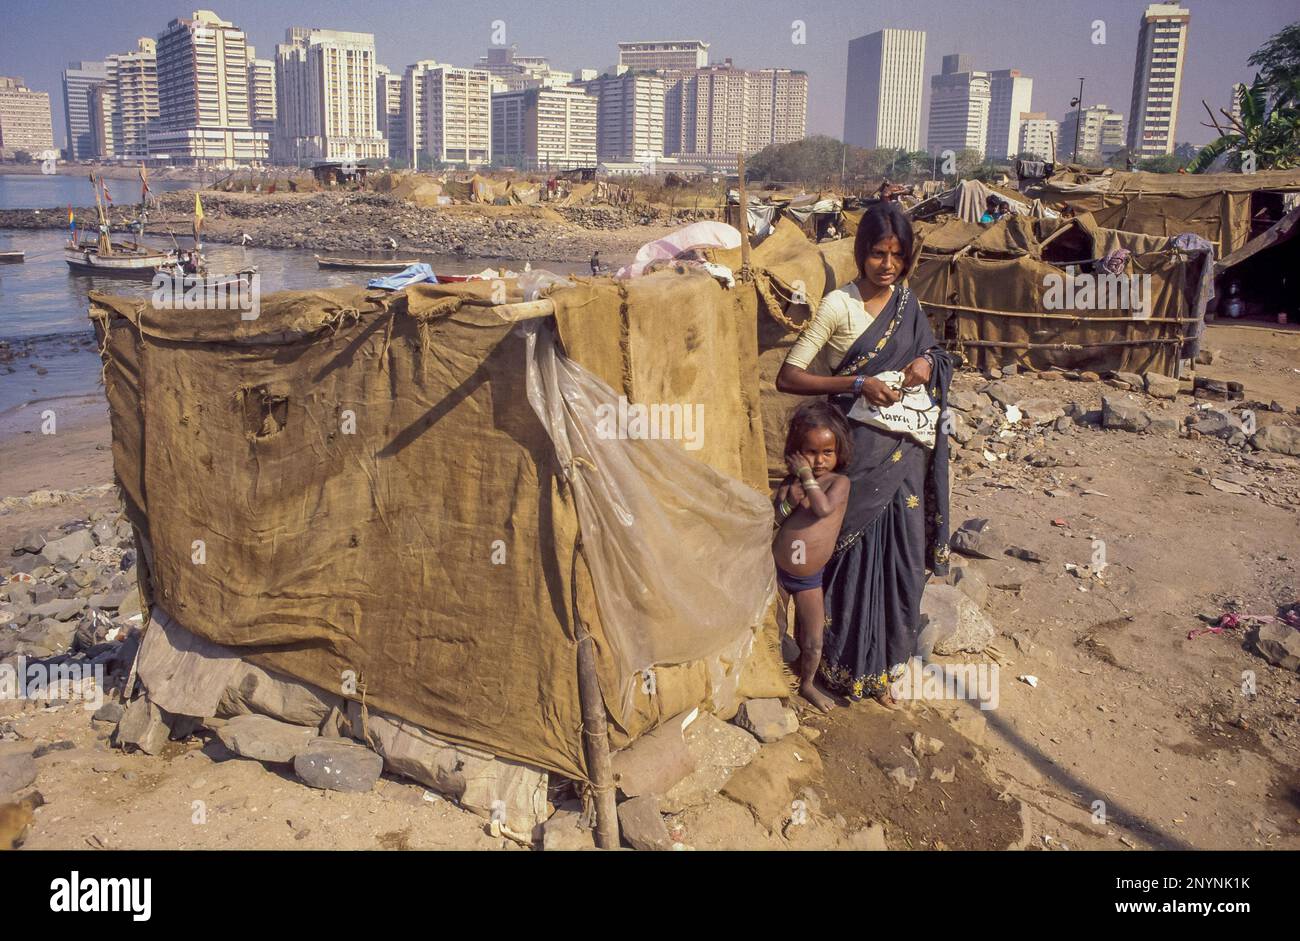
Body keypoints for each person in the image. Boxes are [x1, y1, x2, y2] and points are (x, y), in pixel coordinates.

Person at [775, 201, 953, 708]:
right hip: (860, 448)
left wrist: (924, 360)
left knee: (899, 556)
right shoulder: (839, 305)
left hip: (907, 454)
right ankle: (836, 665)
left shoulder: (908, 304)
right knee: (852, 556)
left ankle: (883, 671)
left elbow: (939, 355)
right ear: (861, 252)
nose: (888, 266)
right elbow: (788, 376)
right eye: (878, 254)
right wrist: (856, 382)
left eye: (898, 256)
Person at [772, 403, 852, 713]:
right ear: (796, 451)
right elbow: (776, 519)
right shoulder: (791, 484)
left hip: (809, 578)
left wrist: (805, 476)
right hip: (778, 570)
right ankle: (775, 675)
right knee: (773, 628)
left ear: (838, 452)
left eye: (827, 452)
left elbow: (822, 508)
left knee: (813, 638)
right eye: (810, 452)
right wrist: (787, 504)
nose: (819, 461)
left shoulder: (838, 484)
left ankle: (807, 683)